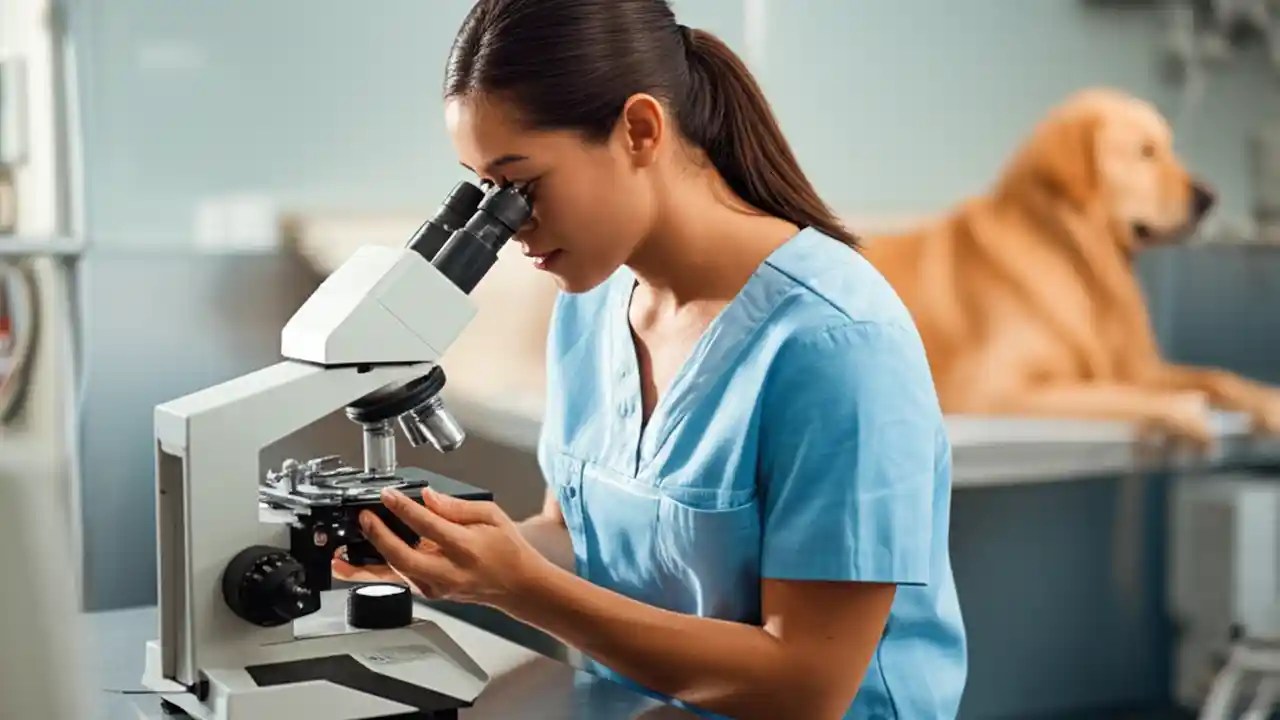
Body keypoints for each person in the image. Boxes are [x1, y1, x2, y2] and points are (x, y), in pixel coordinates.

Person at [333, 1, 967, 717]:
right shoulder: (592, 300)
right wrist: (463, 555)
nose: (508, 228)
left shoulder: (837, 343)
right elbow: (584, 541)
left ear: (639, 130)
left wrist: (519, 588)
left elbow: (807, 685)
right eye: (485, 192)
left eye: (522, 187)